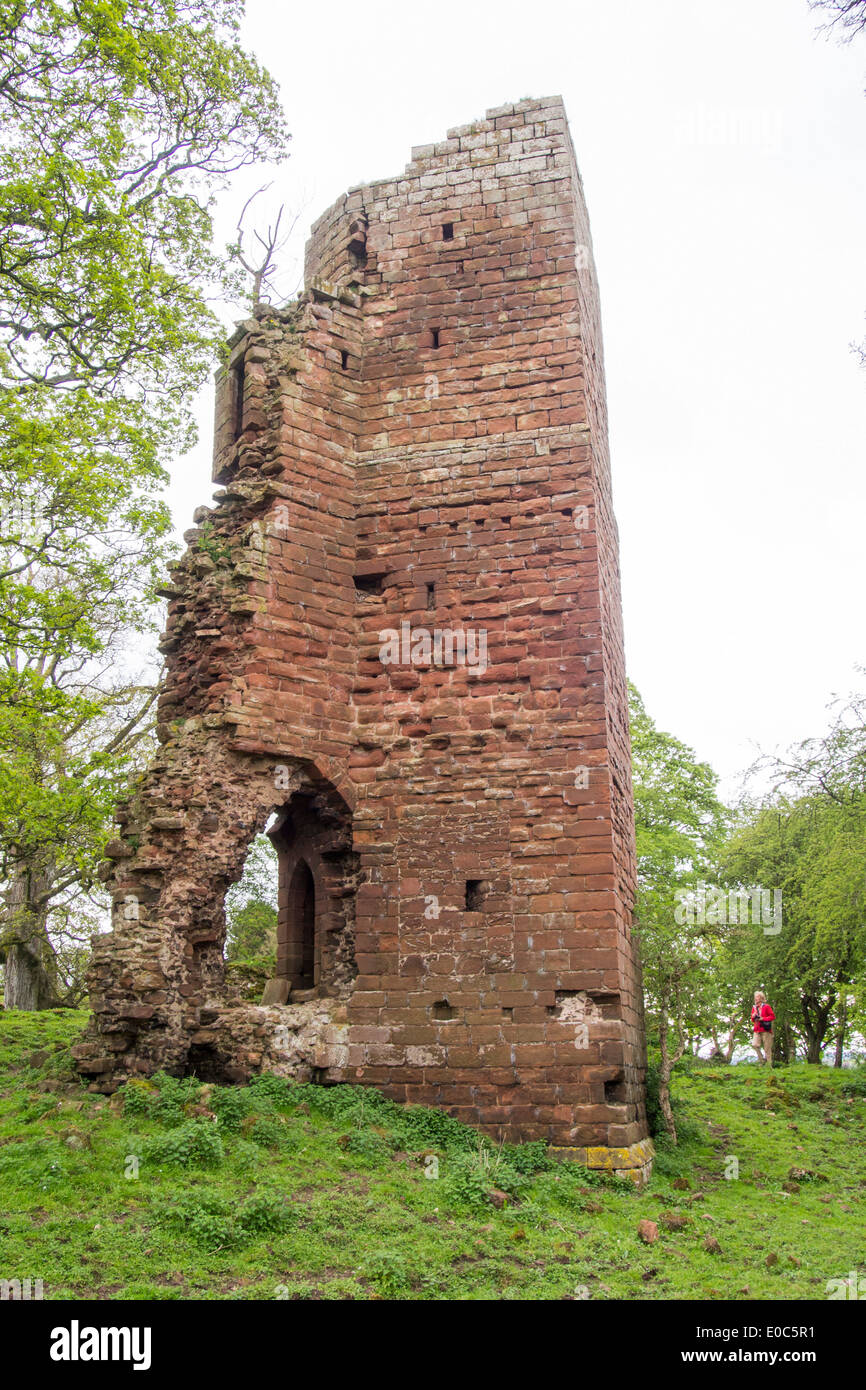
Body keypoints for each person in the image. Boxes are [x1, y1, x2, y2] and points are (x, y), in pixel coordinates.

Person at [750, 990, 775, 1066]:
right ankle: (762, 1060)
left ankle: (769, 1065)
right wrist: (753, 1016)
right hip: (757, 1029)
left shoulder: (766, 1006)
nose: (756, 999)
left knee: (767, 1048)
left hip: (766, 1029)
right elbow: (752, 1019)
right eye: (755, 997)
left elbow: (772, 1016)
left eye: (757, 997)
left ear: (761, 998)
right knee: (754, 1044)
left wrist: (763, 1018)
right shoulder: (754, 1008)